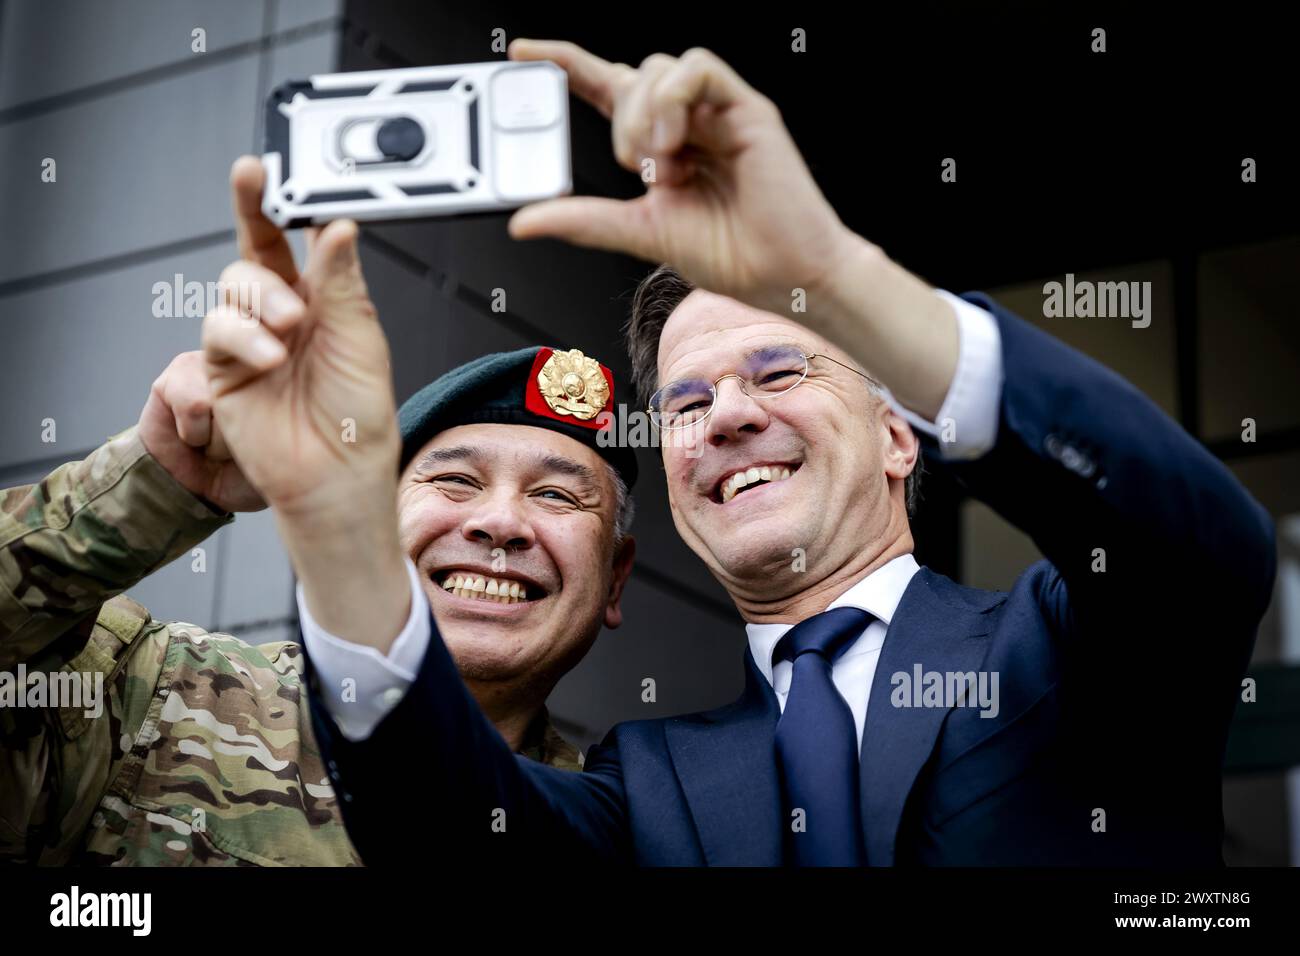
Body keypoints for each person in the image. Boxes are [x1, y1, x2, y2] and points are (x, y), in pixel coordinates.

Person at [229, 40, 1274, 865]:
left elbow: (1199, 541)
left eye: (779, 373)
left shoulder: (1067, 645)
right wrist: (336, 523)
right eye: (683, 402)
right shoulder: (644, 780)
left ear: (898, 433)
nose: (725, 415)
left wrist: (833, 273)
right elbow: (440, 826)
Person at [0, 158, 637, 865]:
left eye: (555, 495)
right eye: (454, 480)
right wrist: (156, 484)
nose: (499, 523)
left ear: (615, 578)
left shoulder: (620, 833)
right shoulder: (157, 692)